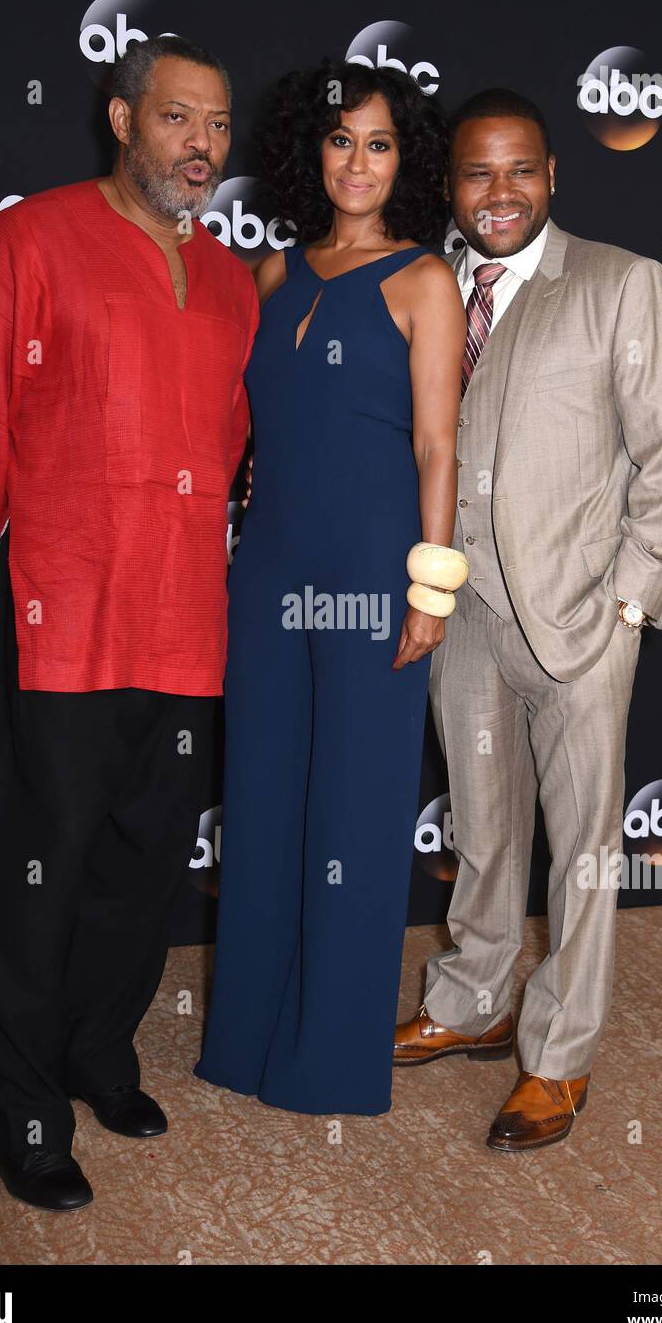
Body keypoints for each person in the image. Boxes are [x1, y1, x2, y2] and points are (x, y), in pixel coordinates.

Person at [0, 36, 258, 1209]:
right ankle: (16, 1107)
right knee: (34, 872)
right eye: (177, 119)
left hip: (184, 625)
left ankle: (95, 1051)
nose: (201, 146)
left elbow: (227, 448)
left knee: (140, 865)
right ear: (123, 119)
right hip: (58, 618)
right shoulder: (30, 238)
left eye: (215, 126)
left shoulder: (225, 277)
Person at [393, 89, 662, 1151]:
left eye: (520, 170)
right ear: (449, 184)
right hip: (465, 619)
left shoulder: (621, 284)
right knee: (482, 831)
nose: (499, 194)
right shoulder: (423, 286)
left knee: (580, 850)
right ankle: (472, 996)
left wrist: (627, 603)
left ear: (554, 174)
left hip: (580, 623)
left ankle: (560, 1056)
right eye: (477, 173)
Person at [193, 61, 465, 1115]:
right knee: (261, 799)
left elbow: (439, 445)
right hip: (267, 566)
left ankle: (329, 1059)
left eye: (382, 142)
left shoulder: (423, 281)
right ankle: (246, 1038)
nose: (359, 161)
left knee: (354, 808)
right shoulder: (273, 273)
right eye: (342, 138)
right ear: (313, 148)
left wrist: (431, 588)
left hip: (371, 568)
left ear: (409, 160)